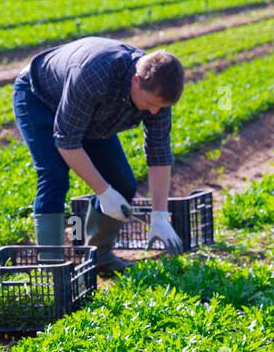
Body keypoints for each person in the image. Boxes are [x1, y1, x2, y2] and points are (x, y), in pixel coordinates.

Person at [12, 37, 186, 270]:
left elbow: (159, 153)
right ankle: (51, 268)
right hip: (40, 98)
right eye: (150, 103)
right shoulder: (94, 74)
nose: (154, 111)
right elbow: (67, 141)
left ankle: (98, 257)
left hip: (92, 113)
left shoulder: (158, 93)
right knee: (54, 175)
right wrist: (103, 192)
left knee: (122, 182)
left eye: (161, 107)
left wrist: (160, 215)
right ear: (136, 81)